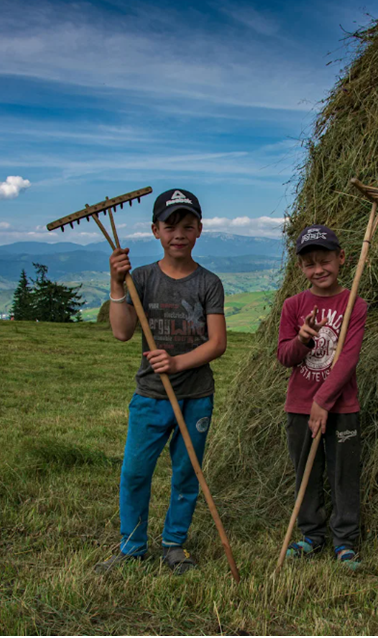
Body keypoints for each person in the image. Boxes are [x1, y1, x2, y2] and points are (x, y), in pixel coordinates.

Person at [94, 189, 227, 576]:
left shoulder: (209, 282)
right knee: (136, 471)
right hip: (151, 396)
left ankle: (174, 544)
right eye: (170, 226)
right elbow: (121, 333)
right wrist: (117, 284)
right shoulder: (142, 279)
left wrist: (176, 361)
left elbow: (217, 343)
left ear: (200, 230)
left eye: (188, 226)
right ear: (155, 230)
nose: (178, 234)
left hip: (196, 396)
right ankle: (132, 547)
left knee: (188, 472)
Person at [277, 224, 368, 571]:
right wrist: (302, 339)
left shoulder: (354, 304)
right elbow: (284, 357)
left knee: (343, 472)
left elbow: (348, 358)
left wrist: (324, 401)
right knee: (306, 471)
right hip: (299, 406)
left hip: (341, 407)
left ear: (341, 258)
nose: (319, 269)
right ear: (301, 268)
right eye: (310, 264)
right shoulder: (293, 305)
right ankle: (310, 535)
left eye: (325, 260)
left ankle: (344, 541)